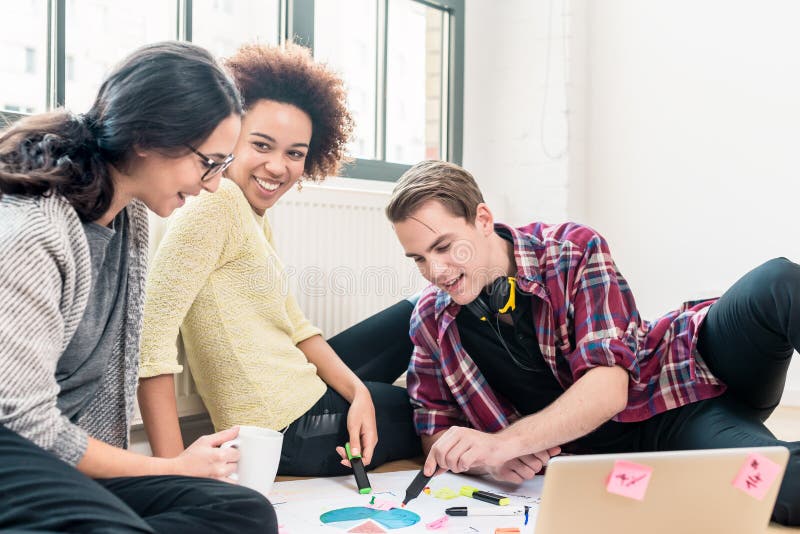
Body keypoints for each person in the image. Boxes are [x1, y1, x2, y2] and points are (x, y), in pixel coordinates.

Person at [385, 159, 799, 526]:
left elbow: (609, 388)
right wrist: (487, 462)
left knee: (779, 282)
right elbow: (434, 432)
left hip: (683, 365)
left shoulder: (573, 251)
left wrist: (502, 443)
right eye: (418, 258)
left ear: (483, 219)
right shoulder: (431, 320)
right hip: (673, 427)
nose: (435, 270)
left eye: (443, 247)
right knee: (783, 485)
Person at [0, 41, 278, 533]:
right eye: (208, 163)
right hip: (18, 456)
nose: (213, 184)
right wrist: (168, 468)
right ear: (149, 137)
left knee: (244, 511)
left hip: (64, 465)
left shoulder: (130, 218)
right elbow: (26, 426)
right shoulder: (31, 234)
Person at [138, 42, 421, 477]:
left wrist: (360, 394)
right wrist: (175, 473)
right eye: (262, 145)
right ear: (230, 136)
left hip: (297, 389)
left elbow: (297, 328)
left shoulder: (251, 212)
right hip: (286, 429)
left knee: (418, 310)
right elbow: (150, 338)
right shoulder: (215, 204)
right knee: (426, 405)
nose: (277, 166)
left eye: (294, 153)